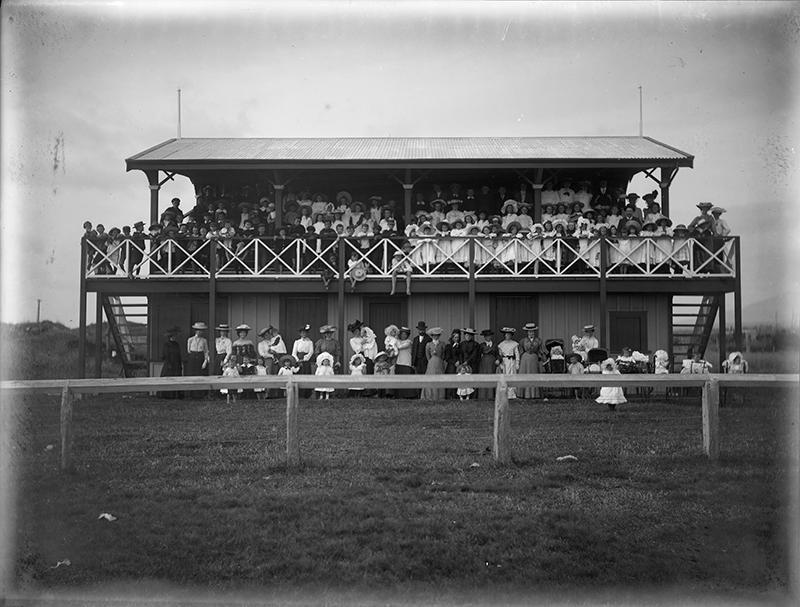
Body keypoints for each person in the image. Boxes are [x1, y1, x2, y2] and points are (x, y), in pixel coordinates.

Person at [518, 322, 545, 399]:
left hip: (534, 359)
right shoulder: (523, 341)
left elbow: (541, 350)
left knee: (534, 375)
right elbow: (520, 351)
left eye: (532, 331)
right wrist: (519, 360)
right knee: (524, 375)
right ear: (527, 332)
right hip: (525, 360)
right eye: (529, 331)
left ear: (534, 332)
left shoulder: (539, 340)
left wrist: (542, 359)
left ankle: (534, 394)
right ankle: (523, 394)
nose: (531, 333)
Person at [185, 321, 210, 398]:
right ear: (195, 330)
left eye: (201, 330)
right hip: (192, 358)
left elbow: (206, 351)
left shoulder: (204, 340)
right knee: (191, 375)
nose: (200, 332)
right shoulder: (190, 340)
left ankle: (200, 394)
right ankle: (190, 394)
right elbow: (188, 350)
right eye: (198, 330)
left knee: (200, 375)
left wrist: (205, 361)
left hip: (200, 358)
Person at [420, 327, 445, 401]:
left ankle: (440, 396)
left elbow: (443, 354)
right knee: (430, 377)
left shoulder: (442, 344)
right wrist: (430, 361)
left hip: (440, 362)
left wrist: (440, 359)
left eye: (437, 335)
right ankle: (429, 395)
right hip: (431, 363)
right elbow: (427, 355)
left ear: (439, 336)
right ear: (432, 336)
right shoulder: (428, 344)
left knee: (440, 378)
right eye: (434, 335)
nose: (436, 337)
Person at [159, 326, 183, 399]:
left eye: (175, 336)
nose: (175, 337)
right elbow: (165, 355)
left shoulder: (176, 344)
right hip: (169, 364)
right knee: (168, 378)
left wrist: (180, 364)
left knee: (177, 378)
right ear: (170, 336)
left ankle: (175, 395)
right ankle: (166, 395)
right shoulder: (166, 344)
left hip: (176, 364)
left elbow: (179, 354)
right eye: (173, 336)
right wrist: (169, 364)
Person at [497, 327, 520, 399]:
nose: (507, 336)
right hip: (504, 362)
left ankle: (512, 394)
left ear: (511, 335)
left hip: (511, 361)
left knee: (512, 375)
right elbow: (500, 355)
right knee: (504, 376)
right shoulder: (501, 344)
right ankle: (504, 393)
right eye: (506, 334)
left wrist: (517, 363)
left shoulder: (514, 344)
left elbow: (517, 354)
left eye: (509, 334)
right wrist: (500, 364)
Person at [393, 326, 416, 398]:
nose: (403, 335)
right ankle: (399, 395)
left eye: (405, 334)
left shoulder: (409, 342)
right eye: (402, 334)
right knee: (399, 379)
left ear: (407, 335)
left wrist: (394, 339)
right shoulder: (397, 341)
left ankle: (409, 395)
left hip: (406, 363)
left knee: (407, 379)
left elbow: (399, 347)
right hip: (399, 362)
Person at [477, 330, 499, 400]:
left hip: (492, 363)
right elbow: (478, 355)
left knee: (492, 377)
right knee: (484, 377)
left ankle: (491, 395)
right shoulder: (481, 345)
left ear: (491, 336)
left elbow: (498, 354)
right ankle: (483, 396)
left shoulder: (495, 345)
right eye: (486, 336)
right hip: (483, 363)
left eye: (489, 336)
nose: (488, 337)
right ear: (484, 337)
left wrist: (498, 359)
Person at [444, 329, 462, 399]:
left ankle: (456, 396)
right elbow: (447, 358)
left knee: (457, 380)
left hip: (458, 366)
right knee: (450, 380)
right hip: (451, 366)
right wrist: (454, 362)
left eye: (458, 337)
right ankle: (449, 396)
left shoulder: (460, 346)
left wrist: (459, 361)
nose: (456, 339)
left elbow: (462, 355)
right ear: (452, 337)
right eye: (455, 337)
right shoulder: (449, 346)